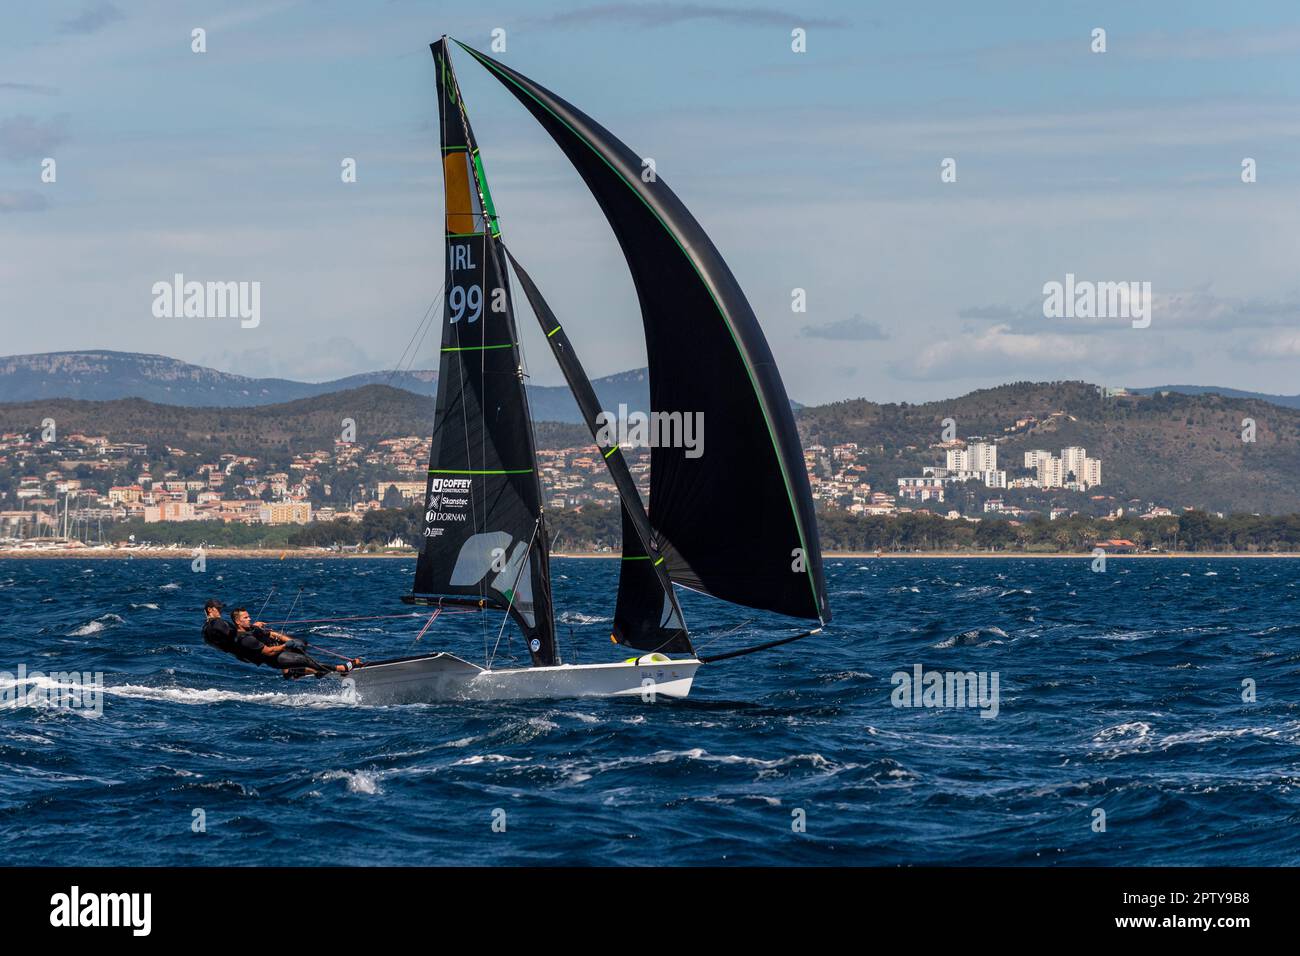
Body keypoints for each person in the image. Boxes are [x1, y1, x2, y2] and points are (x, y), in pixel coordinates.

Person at [228, 606, 356, 678]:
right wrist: (287, 645)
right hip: (274, 659)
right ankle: (341, 669)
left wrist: (292, 641)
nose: (249, 619)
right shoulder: (245, 638)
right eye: (246, 618)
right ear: (238, 621)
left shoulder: (252, 627)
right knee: (305, 661)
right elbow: (269, 652)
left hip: (279, 650)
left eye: (249, 616)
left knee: (302, 644)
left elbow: (271, 634)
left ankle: (294, 673)